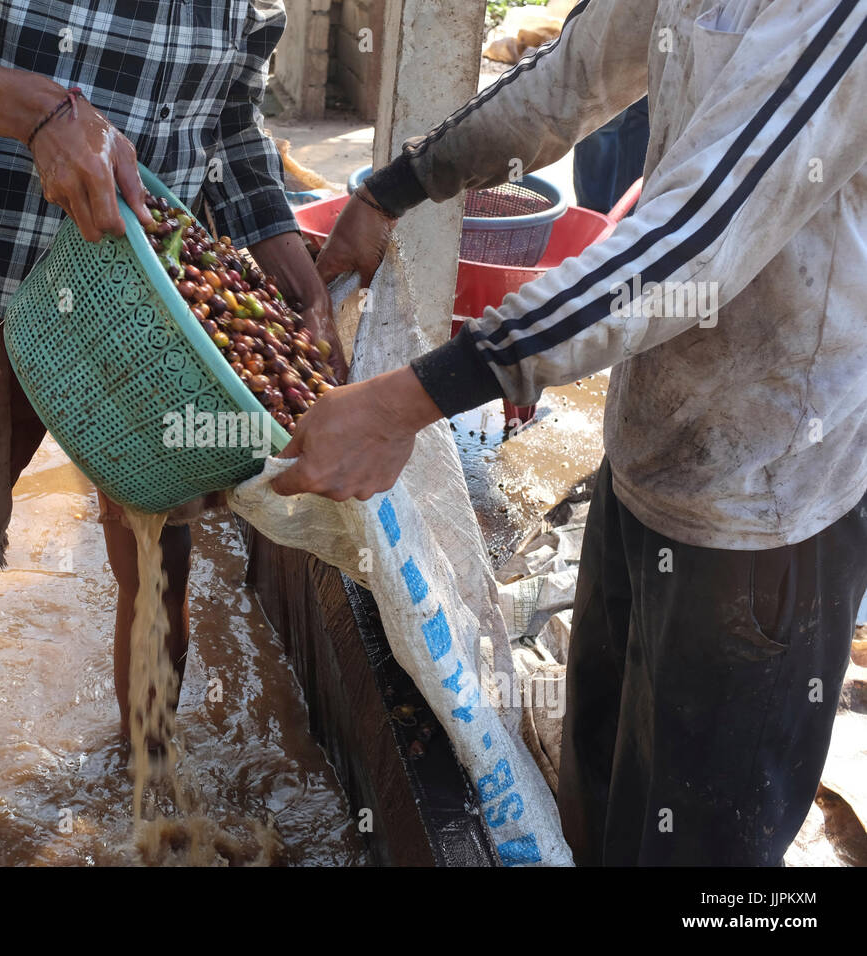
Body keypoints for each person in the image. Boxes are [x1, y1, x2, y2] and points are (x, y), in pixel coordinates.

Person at [283, 0, 867, 865]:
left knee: (704, 851)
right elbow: (568, 80)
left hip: (762, 503)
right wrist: (391, 191)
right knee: (595, 791)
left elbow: (685, 241)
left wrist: (405, 400)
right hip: (648, 463)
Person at [0, 0, 339, 743]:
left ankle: (147, 793)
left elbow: (229, 126)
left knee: (158, 569)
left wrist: (288, 260)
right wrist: (41, 113)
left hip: (151, 320)